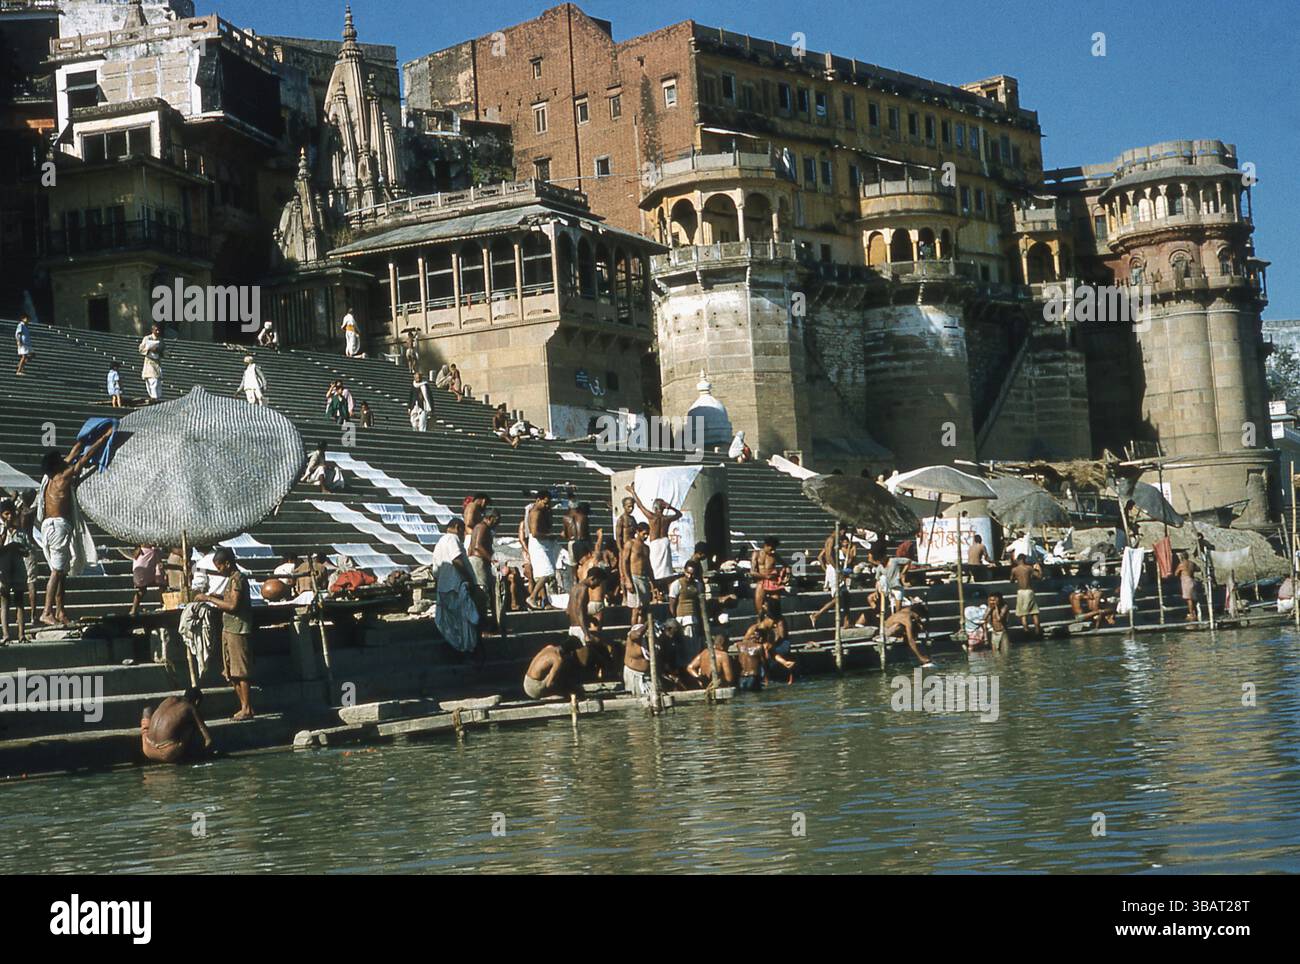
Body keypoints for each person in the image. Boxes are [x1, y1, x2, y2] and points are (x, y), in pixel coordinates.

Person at [38, 433, 111, 627]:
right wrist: (103, 438)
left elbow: (75, 451)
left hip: (52, 527)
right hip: (57, 527)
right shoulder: (62, 478)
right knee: (56, 571)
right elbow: (84, 458)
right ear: (57, 465)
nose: (65, 461)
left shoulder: (51, 477)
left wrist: (84, 437)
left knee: (61, 572)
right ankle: (46, 612)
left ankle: (61, 612)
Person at [195, 548, 255, 720]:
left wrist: (209, 599)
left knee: (241, 670)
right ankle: (244, 706)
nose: (219, 570)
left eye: (219, 567)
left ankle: (247, 707)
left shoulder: (238, 579)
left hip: (238, 629)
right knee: (231, 671)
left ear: (227, 564)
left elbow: (233, 606)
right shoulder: (231, 580)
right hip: (229, 628)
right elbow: (229, 600)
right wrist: (218, 596)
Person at [433, 519, 478, 654]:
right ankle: (466, 650)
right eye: (463, 531)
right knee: (463, 622)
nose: (464, 535)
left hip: (444, 587)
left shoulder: (439, 543)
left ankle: (458, 649)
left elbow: (436, 571)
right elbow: (456, 560)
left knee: (453, 624)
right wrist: (469, 578)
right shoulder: (452, 539)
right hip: (455, 586)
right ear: (458, 527)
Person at [625, 484, 681, 584]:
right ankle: (664, 587)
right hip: (664, 542)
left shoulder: (652, 517)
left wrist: (633, 492)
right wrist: (670, 507)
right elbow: (679, 514)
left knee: (654, 567)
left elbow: (640, 505)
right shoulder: (666, 519)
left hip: (655, 543)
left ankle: (656, 587)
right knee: (666, 569)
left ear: (655, 508)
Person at [140, 689, 213, 764]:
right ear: (196, 701)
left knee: (147, 710)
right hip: (166, 754)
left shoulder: (169, 699)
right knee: (190, 726)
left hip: (147, 748)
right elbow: (207, 739)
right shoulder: (190, 707)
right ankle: (186, 756)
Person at [810, 530, 854, 630]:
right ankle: (817, 615)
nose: (844, 534)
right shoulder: (832, 540)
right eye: (844, 532)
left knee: (846, 596)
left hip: (834, 569)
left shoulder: (833, 540)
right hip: (834, 570)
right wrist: (834, 569)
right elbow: (828, 556)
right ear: (841, 530)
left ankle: (847, 622)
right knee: (838, 597)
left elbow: (820, 556)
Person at [0, 499, 30, 643]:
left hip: (18, 569)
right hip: (4, 570)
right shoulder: (1, 531)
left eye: (11, 514)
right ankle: (6, 634)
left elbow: (27, 551)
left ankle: (21, 634)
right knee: (4, 603)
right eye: (6, 514)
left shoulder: (21, 532)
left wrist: (19, 548)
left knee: (19, 603)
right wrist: (4, 531)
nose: (10, 517)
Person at [467, 507, 500, 630]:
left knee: (481, 594)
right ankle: (481, 624)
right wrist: (491, 559)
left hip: (477, 561)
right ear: (490, 518)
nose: (497, 524)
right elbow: (477, 546)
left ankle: (483, 622)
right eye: (497, 520)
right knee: (481, 594)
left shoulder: (478, 527)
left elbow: (470, 548)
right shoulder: (483, 527)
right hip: (478, 562)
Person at [525, 490, 557, 609]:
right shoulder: (535, 512)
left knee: (542, 574)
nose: (547, 506)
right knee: (547, 572)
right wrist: (550, 536)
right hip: (538, 544)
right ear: (538, 500)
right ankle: (532, 597)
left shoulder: (544, 512)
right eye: (545, 503)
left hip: (545, 544)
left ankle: (546, 601)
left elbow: (549, 526)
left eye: (549, 503)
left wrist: (549, 513)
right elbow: (534, 533)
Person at [670, 559, 705, 659]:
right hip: (681, 617)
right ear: (684, 571)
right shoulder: (677, 584)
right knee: (684, 646)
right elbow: (672, 603)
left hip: (693, 618)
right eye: (688, 573)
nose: (689, 576)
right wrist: (675, 618)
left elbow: (699, 603)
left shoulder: (698, 585)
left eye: (692, 574)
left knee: (693, 646)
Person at [620, 522, 653, 625]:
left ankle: (640, 631)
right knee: (636, 609)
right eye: (644, 534)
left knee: (644, 609)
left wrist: (653, 582)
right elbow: (624, 562)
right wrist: (628, 580)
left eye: (648, 534)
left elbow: (648, 565)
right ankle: (633, 632)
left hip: (644, 579)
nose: (646, 536)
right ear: (638, 532)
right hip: (634, 578)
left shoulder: (646, 548)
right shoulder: (630, 544)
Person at [883, 603, 934, 668]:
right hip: (887, 632)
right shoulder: (906, 617)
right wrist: (920, 657)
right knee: (902, 627)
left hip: (895, 628)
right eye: (920, 616)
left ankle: (910, 648)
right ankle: (918, 655)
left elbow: (914, 609)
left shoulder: (909, 611)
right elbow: (911, 639)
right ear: (917, 613)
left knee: (917, 626)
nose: (920, 618)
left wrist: (919, 623)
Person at [1010, 554, 1042, 636]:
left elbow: (1011, 580)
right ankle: (1037, 630)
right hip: (1029, 591)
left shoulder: (1014, 569)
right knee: (1034, 612)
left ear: (1019, 560)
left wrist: (1015, 577)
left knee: (1023, 613)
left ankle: (1026, 631)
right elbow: (1039, 576)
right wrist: (1039, 569)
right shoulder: (1029, 568)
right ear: (1024, 560)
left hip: (1021, 592)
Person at [128, 545, 163, 618]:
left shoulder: (139, 551)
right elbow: (159, 565)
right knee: (162, 584)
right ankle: (163, 603)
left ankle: (133, 609)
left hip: (138, 574)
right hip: (143, 575)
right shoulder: (152, 552)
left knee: (141, 591)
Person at [622, 623, 654, 696]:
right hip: (633, 674)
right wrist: (647, 623)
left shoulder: (649, 640)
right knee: (637, 699)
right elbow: (638, 634)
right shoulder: (632, 638)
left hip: (648, 675)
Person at [138, 323, 163, 403]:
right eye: (156, 330)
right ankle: (153, 397)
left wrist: (159, 350)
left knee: (157, 382)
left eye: (159, 330)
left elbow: (165, 351)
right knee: (151, 381)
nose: (158, 332)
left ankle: (156, 398)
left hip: (157, 363)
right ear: (152, 330)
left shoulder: (161, 340)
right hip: (149, 363)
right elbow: (141, 349)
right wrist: (149, 349)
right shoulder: (147, 338)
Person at [1175, 552, 1200, 621]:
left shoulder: (1182, 564)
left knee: (1189, 599)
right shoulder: (1192, 563)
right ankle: (1195, 613)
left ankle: (1191, 614)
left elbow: (1176, 573)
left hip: (1186, 581)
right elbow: (1198, 569)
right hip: (1192, 580)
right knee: (1193, 598)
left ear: (1182, 557)